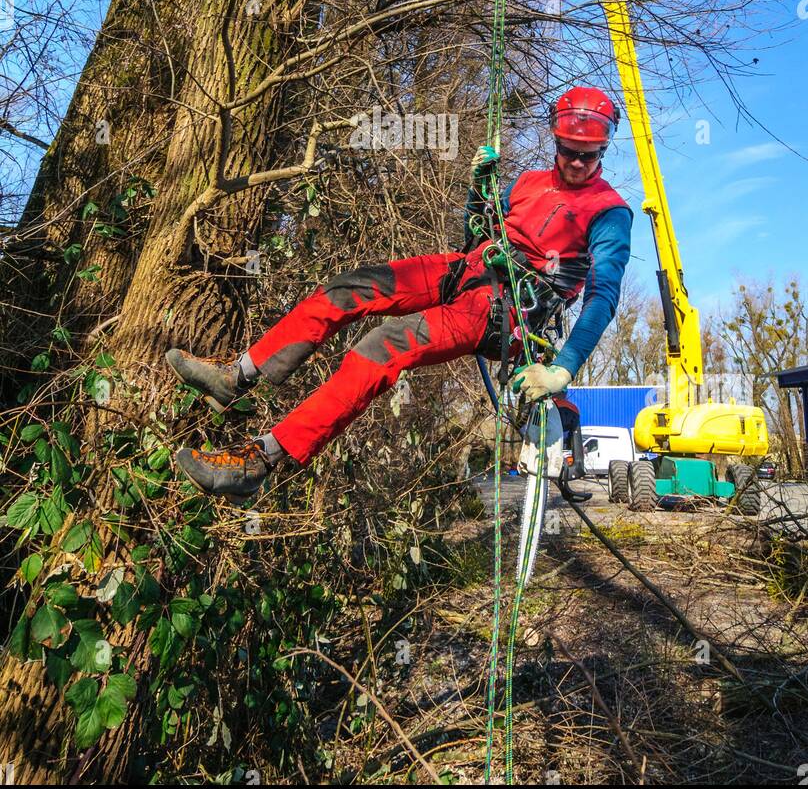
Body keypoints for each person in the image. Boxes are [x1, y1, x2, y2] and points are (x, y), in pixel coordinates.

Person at [169, 86, 632, 501]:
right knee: (348, 289)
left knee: (383, 346)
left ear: (603, 151)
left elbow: (603, 296)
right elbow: (479, 229)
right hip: (469, 269)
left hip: (505, 311)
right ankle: (236, 376)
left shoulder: (609, 211)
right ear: (556, 141)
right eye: (568, 151)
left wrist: (563, 368)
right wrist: (479, 190)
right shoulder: (530, 182)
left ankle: (262, 460)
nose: (575, 163)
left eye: (587, 156)